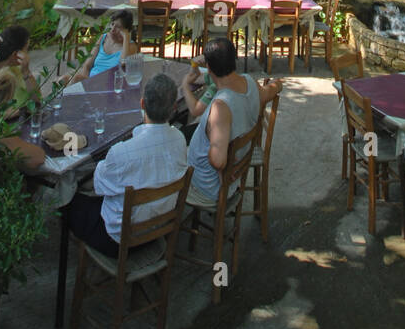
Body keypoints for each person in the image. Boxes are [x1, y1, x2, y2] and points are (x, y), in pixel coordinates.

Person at [67, 72, 187, 257]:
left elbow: (96, 186)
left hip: (117, 240)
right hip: (161, 228)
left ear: (142, 104)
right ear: (173, 109)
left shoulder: (122, 152)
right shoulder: (179, 139)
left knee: (70, 199)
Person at [183, 36, 281, 205]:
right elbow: (269, 92)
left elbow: (218, 161)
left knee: (168, 149)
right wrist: (277, 84)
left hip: (207, 187)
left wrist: (219, 151)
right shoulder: (250, 82)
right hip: (233, 175)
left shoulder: (220, 107)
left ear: (209, 69)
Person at [67, 9, 137, 83]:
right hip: (91, 81)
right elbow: (87, 65)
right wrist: (86, 81)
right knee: (64, 79)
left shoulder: (130, 46)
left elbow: (123, 65)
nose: (112, 29)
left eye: (118, 27)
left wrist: (126, 38)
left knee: (73, 80)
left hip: (109, 84)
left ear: (126, 31)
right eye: (112, 24)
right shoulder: (103, 38)